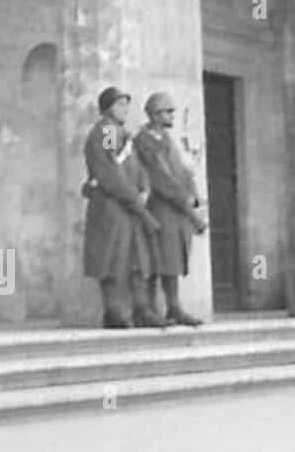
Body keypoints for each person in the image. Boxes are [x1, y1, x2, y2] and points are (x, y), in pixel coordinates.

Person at [82, 86, 164, 329]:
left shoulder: (124, 134)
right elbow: (110, 172)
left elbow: (137, 169)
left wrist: (145, 189)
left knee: (137, 259)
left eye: (126, 104)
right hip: (112, 207)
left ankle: (142, 309)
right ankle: (115, 312)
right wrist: (134, 198)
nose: (125, 109)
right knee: (113, 260)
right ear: (107, 108)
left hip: (130, 207)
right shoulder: (106, 131)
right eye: (119, 104)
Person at [133, 92, 206, 326]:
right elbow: (160, 176)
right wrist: (185, 199)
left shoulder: (165, 139)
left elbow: (181, 170)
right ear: (154, 114)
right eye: (167, 111)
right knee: (157, 257)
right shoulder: (144, 140)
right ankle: (149, 309)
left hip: (176, 208)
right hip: (160, 206)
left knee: (173, 258)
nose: (172, 115)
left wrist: (194, 196)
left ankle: (174, 307)